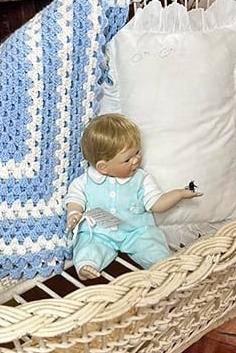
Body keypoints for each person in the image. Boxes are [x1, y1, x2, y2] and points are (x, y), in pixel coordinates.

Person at [66, 114, 201, 280]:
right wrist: (74, 213)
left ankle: (164, 267)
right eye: (127, 159)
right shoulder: (85, 181)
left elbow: (157, 203)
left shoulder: (141, 179)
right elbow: (75, 199)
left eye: (137, 152)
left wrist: (179, 194)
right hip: (100, 232)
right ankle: (87, 265)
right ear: (103, 167)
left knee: (152, 246)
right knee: (87, 244)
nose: (136, 160)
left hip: (136, 231)